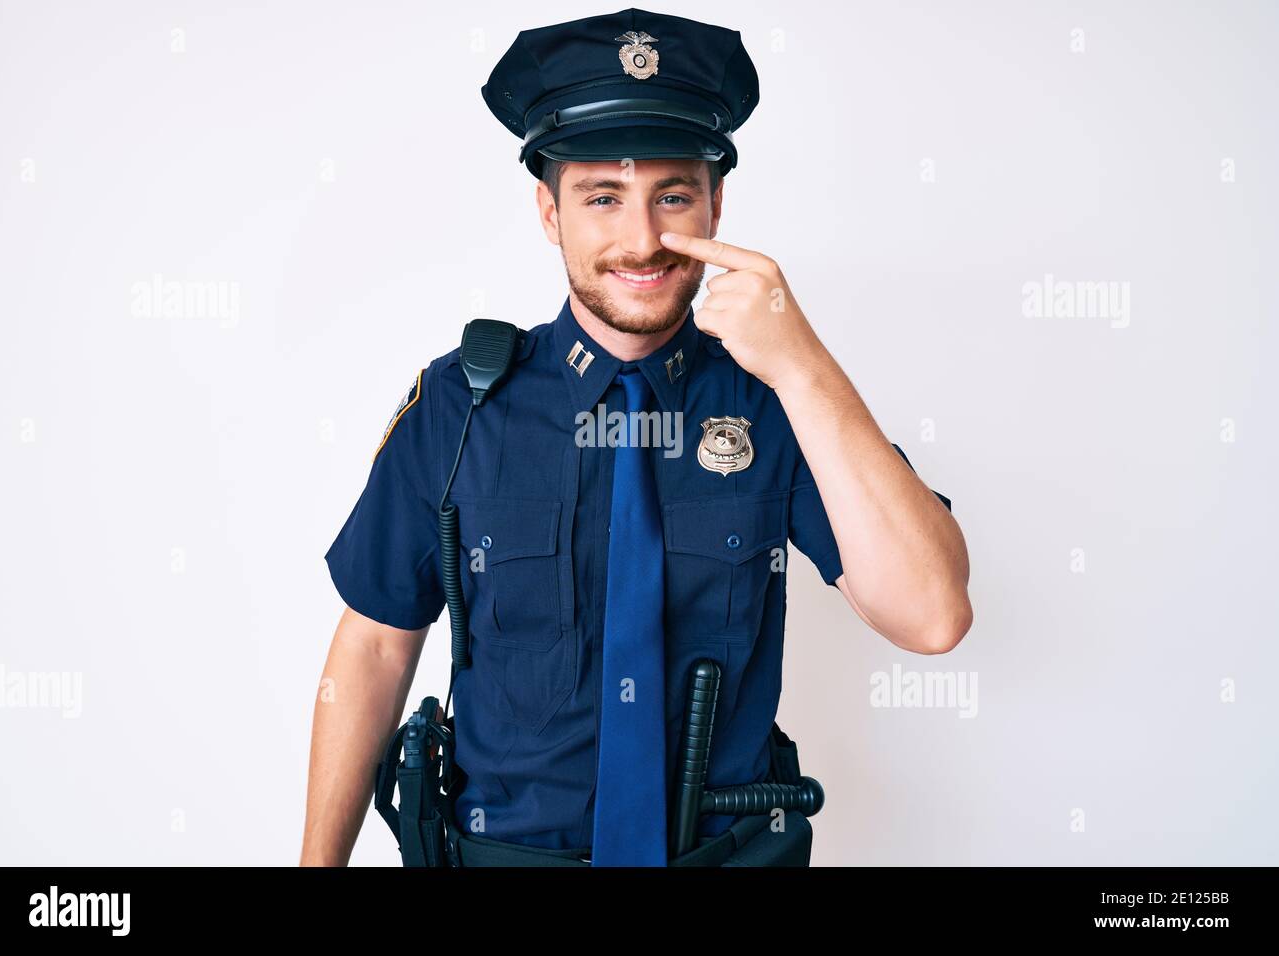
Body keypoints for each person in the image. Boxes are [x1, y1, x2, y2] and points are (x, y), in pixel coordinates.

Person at [300, 7, 971, 867]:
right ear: (550, 211)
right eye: (603, 198)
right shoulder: (457, 405)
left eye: (674, 196)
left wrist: (804, 367)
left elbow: (932, 615)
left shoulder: (780, 401)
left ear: (717, 203)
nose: (643, 240)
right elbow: (374, 645)